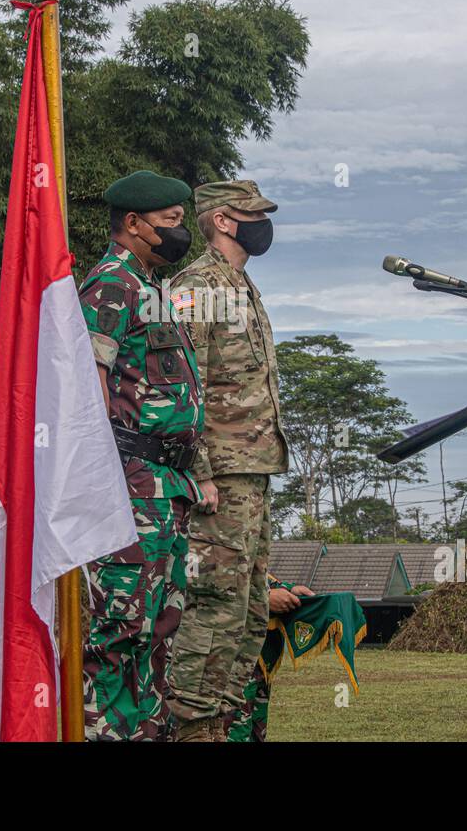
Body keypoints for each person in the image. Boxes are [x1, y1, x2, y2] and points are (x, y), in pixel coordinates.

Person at [77, 170, 205, 741]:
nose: (181, 233)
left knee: (159, 628)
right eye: (171, 223)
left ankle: (147, 733)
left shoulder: (151, 288)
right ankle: (108, 733)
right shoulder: (111, 286)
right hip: (126, 488)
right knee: (121, 628)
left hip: (165, 485)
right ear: (134, 224)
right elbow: (87, 387)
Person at [166, 178, 290, 741]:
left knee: (247, 610)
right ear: (221, 219)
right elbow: (181, 386)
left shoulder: (241, 284)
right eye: (252, 213)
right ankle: (190, 725)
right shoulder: (196, 286)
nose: (263, 223)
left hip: (254, 471)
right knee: (214, 605)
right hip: (220, 476)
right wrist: (199, 472)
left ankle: (220, 722)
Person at [226, 575, 314, 742]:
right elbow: (201, 578)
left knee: (253, 732)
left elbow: (253, 571)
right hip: (223, 655)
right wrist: (263, 597)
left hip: (253, 655)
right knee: (229, 732)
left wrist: (287, 589)